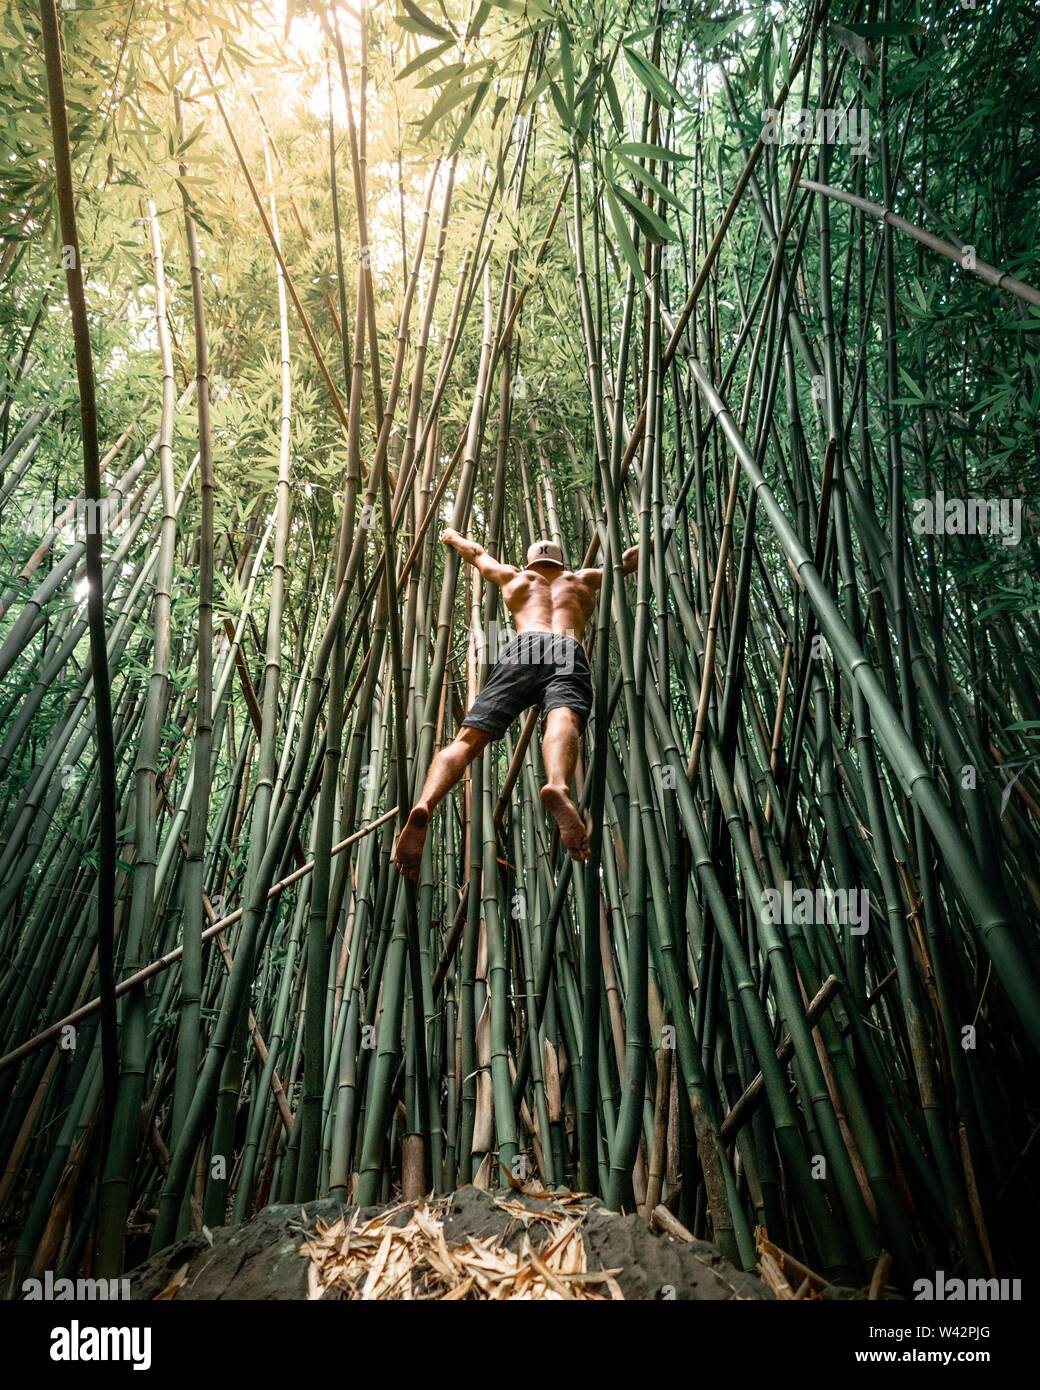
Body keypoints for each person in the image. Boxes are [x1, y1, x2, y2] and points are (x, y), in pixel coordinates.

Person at [393, 528, 639, 879]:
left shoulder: (515, 577)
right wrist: (656, 533)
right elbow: (628, 561)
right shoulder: (582, 578)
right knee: (563, 718)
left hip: (523, 645)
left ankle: (424, 805)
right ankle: (557, 784)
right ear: (561, 562)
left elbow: (477, 554)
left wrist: (452, 537)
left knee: (467, 740)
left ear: (530, 563)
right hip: (566, 646)